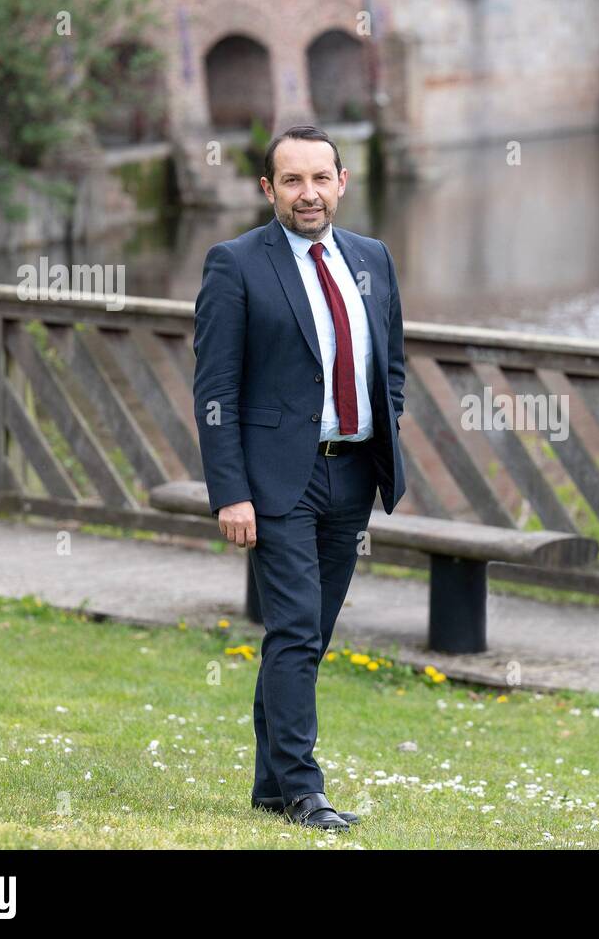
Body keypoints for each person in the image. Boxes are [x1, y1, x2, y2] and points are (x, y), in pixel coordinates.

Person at [192, 125, 407, 831]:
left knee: (309, 631)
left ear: (343, 181)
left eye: (320, 178)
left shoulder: (371, 258)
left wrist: (383, 434)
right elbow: (215, 388)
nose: (307, 193)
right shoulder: (236, 264)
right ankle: (305, 790)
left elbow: (390, 366)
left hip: (352, 476)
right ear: (268, 190)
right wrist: (230, 491)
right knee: (293, 630)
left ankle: (271, 786)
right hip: (278, 481)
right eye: (291, 181)